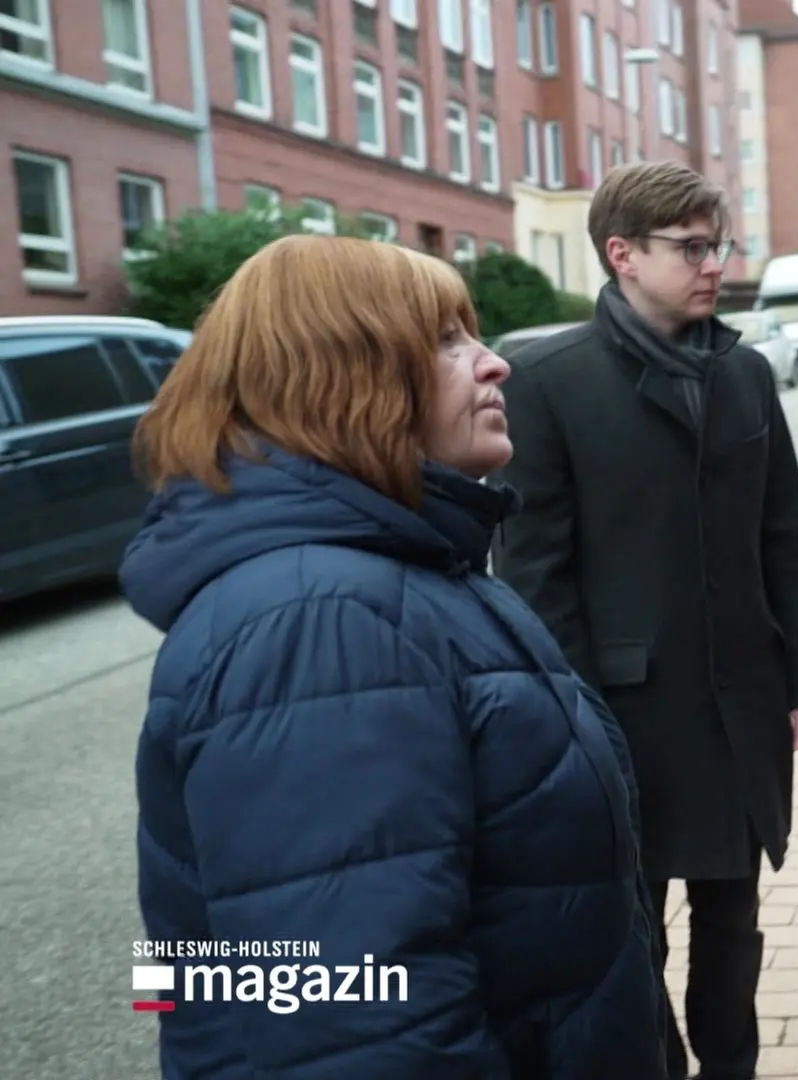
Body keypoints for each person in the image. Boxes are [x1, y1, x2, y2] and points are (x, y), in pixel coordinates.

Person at [121, 235, 670, 1079]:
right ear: (342, 377)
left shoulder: (406, 573)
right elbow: (354, 1027)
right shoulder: (319, 620)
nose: (494, 365)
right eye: (446, 341)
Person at [491, 161, 798, 1080]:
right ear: (622, 255)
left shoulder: (745, 375)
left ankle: (731, 1065)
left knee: (733, 927)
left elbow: (784, 538)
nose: (713, 265)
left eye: (716, 245)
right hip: (622, 723)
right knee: (630, 935)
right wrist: (573, 725)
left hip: (740, 714)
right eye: (690, 248)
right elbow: (534, 579)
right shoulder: (548, 381)